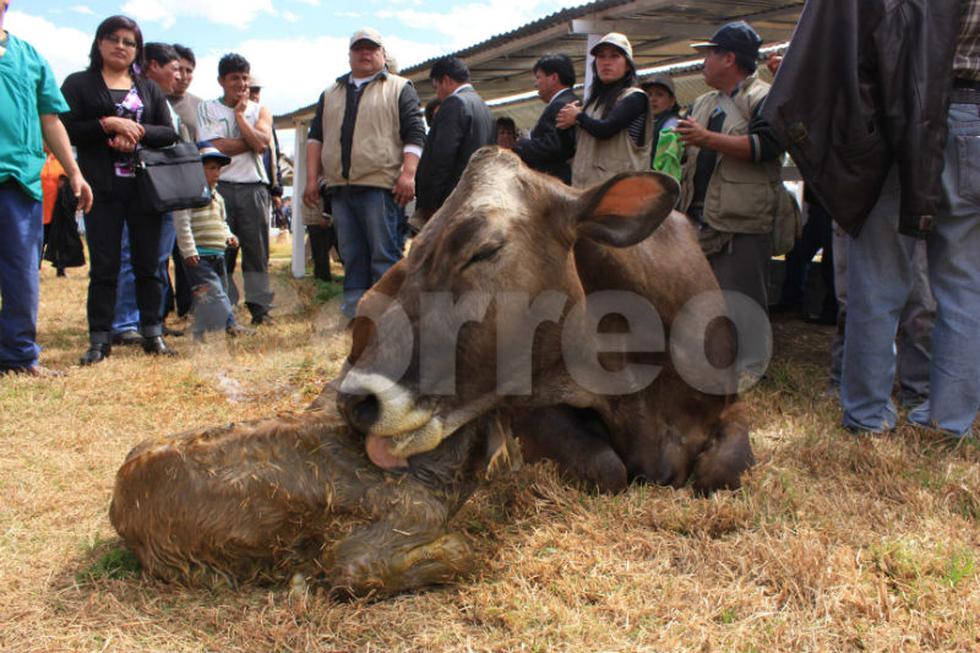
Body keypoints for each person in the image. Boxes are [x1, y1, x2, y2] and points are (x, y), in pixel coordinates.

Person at [764, 0, 977, 439]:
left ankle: (867, 415)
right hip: (972, 117)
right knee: (963, 285)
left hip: (903, 115)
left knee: (877, 283)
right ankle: (949, 423)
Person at [61, 14, 179, 365]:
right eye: (113, 38)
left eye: (129, 42)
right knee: (105, 266)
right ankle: (100, 340)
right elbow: (65, 129)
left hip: (145, 189)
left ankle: (152, 333)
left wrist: (137, 133)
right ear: (99, 43)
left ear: (137, 51)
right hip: (101, 189)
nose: (121, 46)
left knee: (148, 265)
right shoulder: (79, 83)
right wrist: (107, 124)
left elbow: (168, 133)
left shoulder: (149, 88)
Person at [303, 28, 425, 319]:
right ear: (350, 55)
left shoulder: (399, 87)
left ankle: (389, 318)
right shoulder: (330, 93)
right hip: (340, 189)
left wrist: (408, 174)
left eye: (371, 48)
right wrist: (310, 180)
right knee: (351, 257)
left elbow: (415, 133)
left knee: (384, 256)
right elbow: (315, 138)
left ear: (383, 54)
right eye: (359, 48)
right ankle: (355, 317)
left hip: (381, 187)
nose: (365, 53)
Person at [0, 0, 93, 376]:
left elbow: (49, 119)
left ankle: (18, 357)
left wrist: (74, 172)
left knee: (22, 274)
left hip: (19, 180)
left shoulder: (29, 56)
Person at [674, 21, 788, 313]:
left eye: (710, 54)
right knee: (699, 308)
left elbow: (767, 147)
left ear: (729, 58)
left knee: (743, 311)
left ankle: (748, 361)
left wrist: (706, 138)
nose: (704, 61)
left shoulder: (764, 98)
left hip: (741, 224)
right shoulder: (702, 102)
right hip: (699, 222)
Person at [197, 53, 275, 326]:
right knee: (221, 251)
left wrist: (241, 118)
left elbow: (263, 144)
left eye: (245, 78)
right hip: (222, 188)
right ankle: (223, 310)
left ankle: (260, 309)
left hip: (254, 188)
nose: (241, 84)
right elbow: (214, 146)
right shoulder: (207, 108)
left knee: (257, 252)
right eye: (234, 78)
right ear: (222, 81)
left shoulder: (259, 110)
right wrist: (251, 140)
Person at [174, 146, 252, 340]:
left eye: (218, 168)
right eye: (210, 168)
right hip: (199, 256)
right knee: (215, 292)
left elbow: (221, 221)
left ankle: (200, 330)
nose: (216, 173)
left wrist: (229, 235)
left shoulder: (218, 198)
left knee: (212, 294)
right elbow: (182, 224)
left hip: (218, 254)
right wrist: (188, 250)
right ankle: (231, 325)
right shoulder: (189, 196)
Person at [556, 33, 651, 188]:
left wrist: (579, 116)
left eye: (614, 56)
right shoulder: (591, 104)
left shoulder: (635, 98)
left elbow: (606, 129)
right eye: (601, 57)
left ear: (627, 65)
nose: (606, 63)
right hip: (585, 190)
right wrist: (565, 124)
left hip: (619, 193)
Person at [415, 55, 494, 221]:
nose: (438, 94)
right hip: (477, 198)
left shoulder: (455, 103)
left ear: (446, 80)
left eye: (436, 87)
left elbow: (442, 157)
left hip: (451, 200)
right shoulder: (483, 107)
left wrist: (431, 203)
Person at [512, 53, 578, 184]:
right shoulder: (570, 100)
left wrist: (522, 144)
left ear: (553, 78)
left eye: (538, 77)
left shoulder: (560, 105)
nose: (536, 84)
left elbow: (553, 147)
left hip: (557, 183)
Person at [247, 75, 284, 227]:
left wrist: (276, 190)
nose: (255, 96)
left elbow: (274, 155)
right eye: (252, 91)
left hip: (262, 187)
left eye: (257, 91)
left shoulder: (265, 118)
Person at [641, 74, 684, 181]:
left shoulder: (672, 124)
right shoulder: (643, 121)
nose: (652, 99)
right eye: (649, 94)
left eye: (659, 95)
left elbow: (667, 164)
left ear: (672, 101)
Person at [40, 150, 67, 275]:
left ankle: (61, 268)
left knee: (60, 240)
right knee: (39, 240)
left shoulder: (61, 160)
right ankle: (35, 267)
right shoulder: (37, 158)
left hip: (57, 210)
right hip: (40, 209)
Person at [169, 43, 200, 144]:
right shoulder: (151, 99)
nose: (184, 76)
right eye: (178, 69)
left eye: (189, 71)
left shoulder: (200, 105)